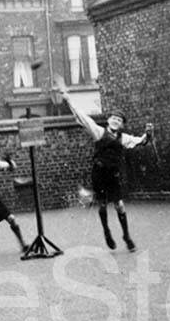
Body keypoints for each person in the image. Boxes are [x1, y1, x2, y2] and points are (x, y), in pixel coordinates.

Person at [58, 83, 152, 252]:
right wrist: (69, 100)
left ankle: (126, 236)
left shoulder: (124, 138)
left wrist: (148, 134)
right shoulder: (98, 132)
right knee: (102, 205)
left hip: (113, 174)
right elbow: (82, 117)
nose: (116, 121)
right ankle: (107, 231)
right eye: (114, 118)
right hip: (99, 173)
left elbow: (140, 141)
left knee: (119, 205)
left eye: (119, 120)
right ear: (108, 120)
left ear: (122, 125)